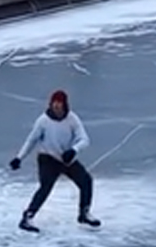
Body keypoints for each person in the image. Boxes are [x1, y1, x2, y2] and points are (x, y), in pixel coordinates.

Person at [9, 88, 100, 233]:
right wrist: (19, 158)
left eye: (59, 103)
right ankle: (27, 218)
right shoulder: (43, 121)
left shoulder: (72, 119)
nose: (56, 106)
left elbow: (84, 139)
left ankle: (84, 214)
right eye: (54, 103)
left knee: (86, 181)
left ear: (65, 105)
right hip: (48, 158)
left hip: (66, 158)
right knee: (46, 187)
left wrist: (73, 150)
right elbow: (31, 141)